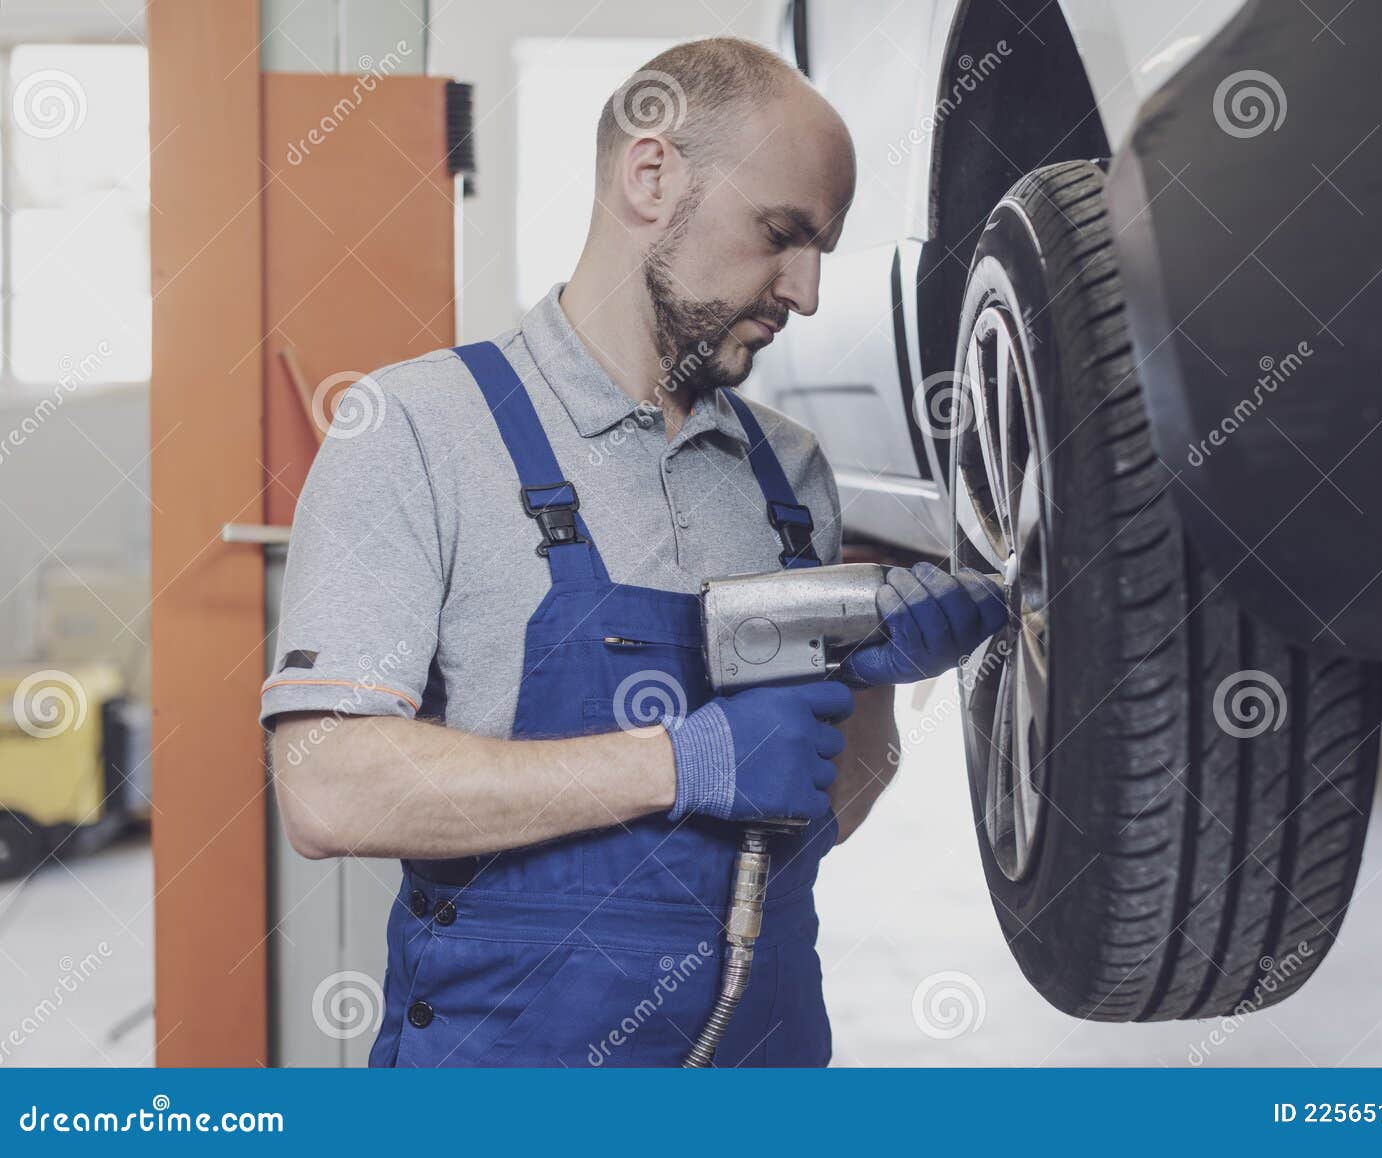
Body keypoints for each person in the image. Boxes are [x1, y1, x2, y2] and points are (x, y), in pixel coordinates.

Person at [261, 35, 1005, 1068]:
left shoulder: (792, 479)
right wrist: (677, 761)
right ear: (650, 176)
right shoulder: (419, 428)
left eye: (821, 249)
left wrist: (873, 688)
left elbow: (806, 818)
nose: (806, 291)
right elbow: (325, 788)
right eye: (780, 233)